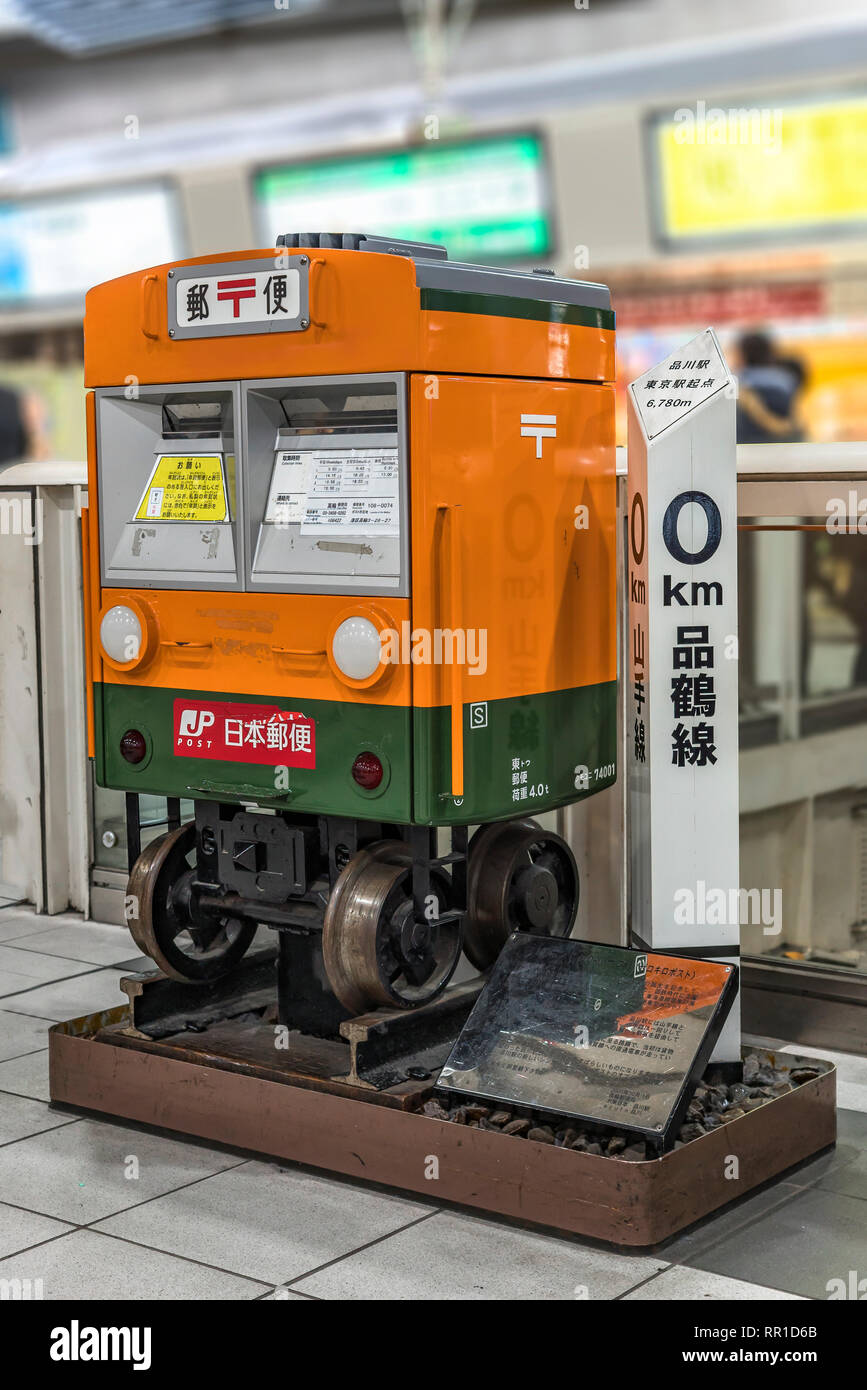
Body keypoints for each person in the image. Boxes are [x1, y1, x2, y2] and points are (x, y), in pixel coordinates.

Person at [735, 331, 806, 444]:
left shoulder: (736, 382)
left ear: (743, 354)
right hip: (783, 446)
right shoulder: (785, 380)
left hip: (744, 447)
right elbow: (794, 418)